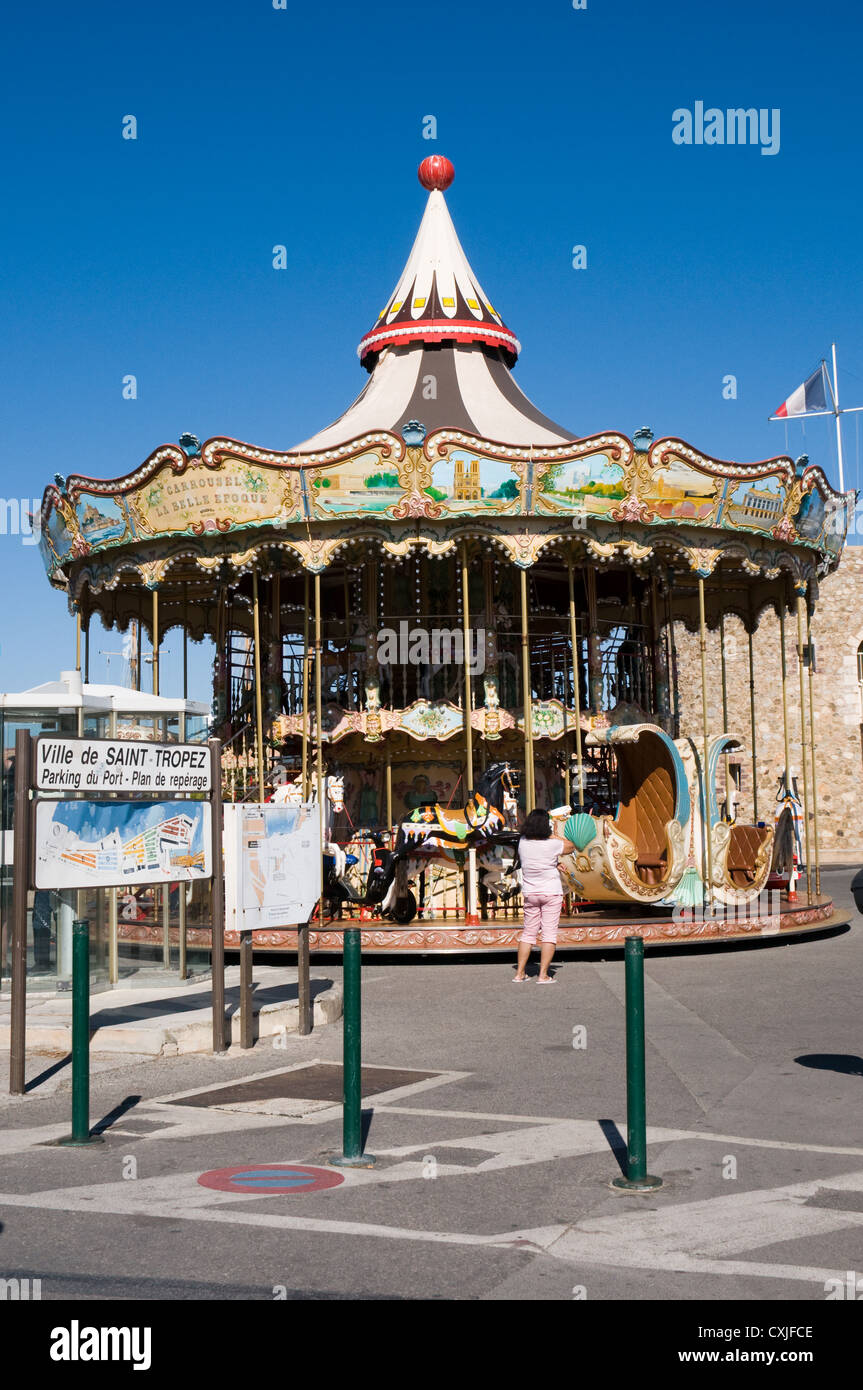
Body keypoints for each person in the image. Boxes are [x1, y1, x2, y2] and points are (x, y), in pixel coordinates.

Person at [512, 808, 574, 984]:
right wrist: (554, 835)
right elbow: (571, 846)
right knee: (548, 934)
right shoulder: (552, 843)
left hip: (531, 893)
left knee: (528, 933)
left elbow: (537, 861)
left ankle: (520, 973)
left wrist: (555, 863)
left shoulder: (522, 841)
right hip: (551, 892)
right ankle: (543, 975)